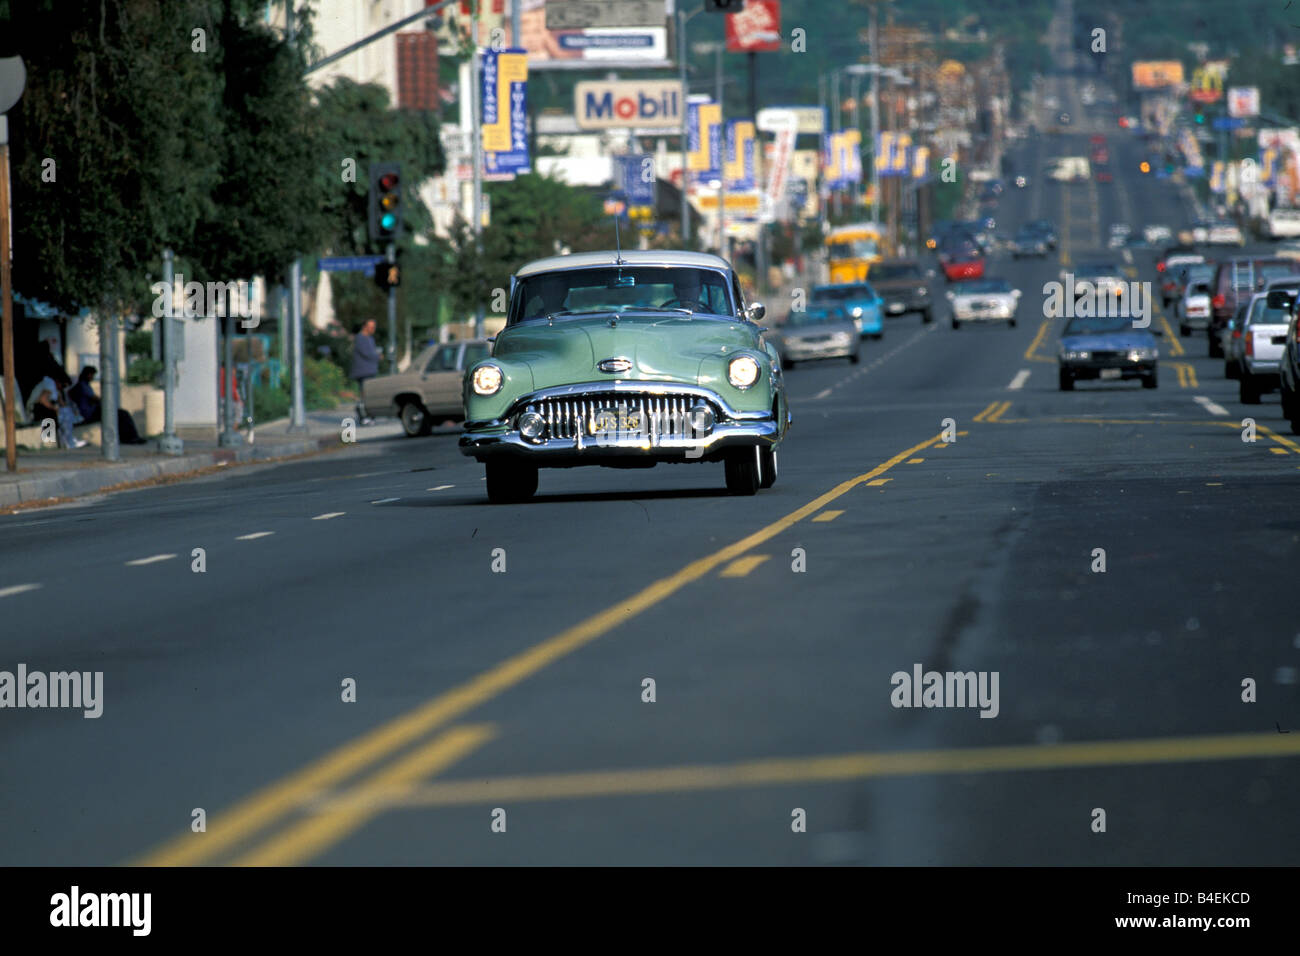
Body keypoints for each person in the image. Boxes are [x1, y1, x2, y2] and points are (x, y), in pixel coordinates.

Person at [68, 366, 147, 444]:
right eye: (92, 375)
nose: (92, 377)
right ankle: (130, 438)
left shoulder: (84, 385)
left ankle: (130, 437)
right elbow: (95, 398)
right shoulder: (82, 385)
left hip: (91, 411)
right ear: (88, 374)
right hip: (89, 413)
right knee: (122, 414)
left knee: (121, 414)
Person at [26, 375, 86, 448]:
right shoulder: (49, 384)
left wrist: (73, 412)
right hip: (37, 409)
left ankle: (68, 440)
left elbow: (62, 404)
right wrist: (55, 408)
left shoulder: (56, 389)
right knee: (51, 414)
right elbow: (42, 400)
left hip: (45, 408)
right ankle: (50, 440)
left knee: (66, 413)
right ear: (58, 382)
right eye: (62, 385)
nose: (62, 388)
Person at [349, 319, 381, 425]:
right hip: (363, 371)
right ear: (364, 327)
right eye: (370, 326)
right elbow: (367, 353)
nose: (373, 329)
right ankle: (363, 416)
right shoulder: (360, 338)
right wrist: (378, 356)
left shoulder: (370, 338)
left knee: (369, 395)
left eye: (374, 327)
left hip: (370, 370)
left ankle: (369, 415)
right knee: (364, 395)